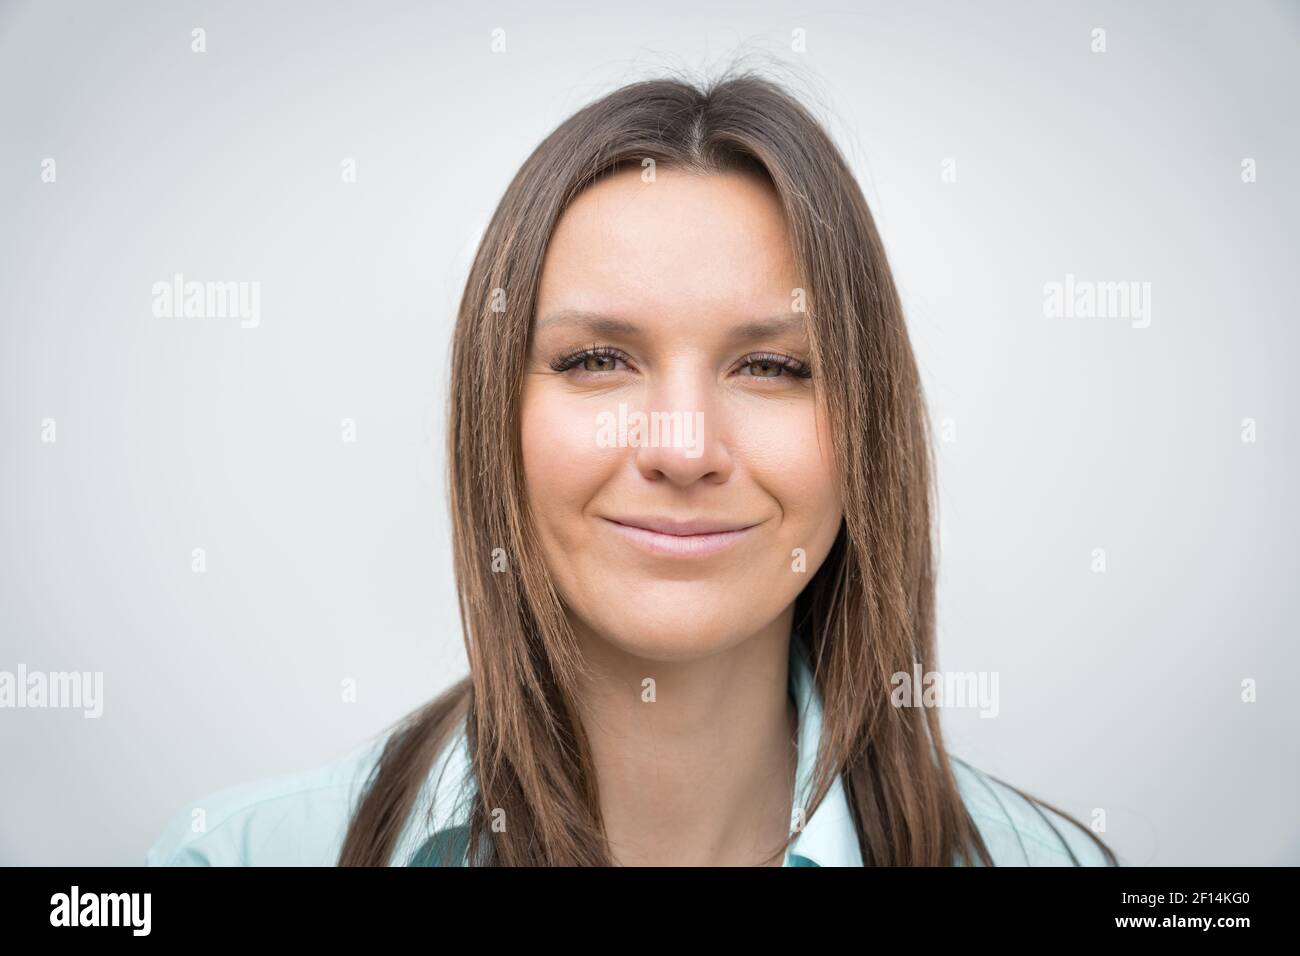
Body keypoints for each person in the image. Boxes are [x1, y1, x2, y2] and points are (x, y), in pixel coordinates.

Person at [147, 70, 1118, 867]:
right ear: (494, 416)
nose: (683, 448)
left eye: (773, 367)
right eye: (595, 361)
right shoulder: (235, 859)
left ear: (867, 433)